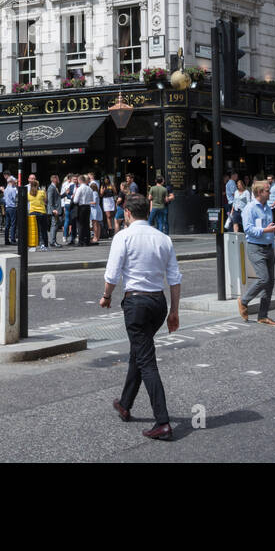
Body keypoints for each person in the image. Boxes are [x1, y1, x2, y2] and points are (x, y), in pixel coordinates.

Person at [100, 193, 182, 442]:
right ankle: (125, 404)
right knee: (140, 350)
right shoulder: (163, 238)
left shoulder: (123, 237)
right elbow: (175, 278)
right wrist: (174, 311)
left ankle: (163, 422)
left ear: (127, 213)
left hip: (136, 303)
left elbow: (112, 275)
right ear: (148, 211)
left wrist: (106, 296)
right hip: (158, 303)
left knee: (146, 360)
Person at [237, 180, 275, 325]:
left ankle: (263, 316)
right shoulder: (250, 208)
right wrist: (265, 230)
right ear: (259, 192)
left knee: (270, 284)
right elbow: (248, 230)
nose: (270, 193)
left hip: (269, 247)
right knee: (264, 279)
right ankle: (243, 301)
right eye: (267, 191)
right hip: (255, 247)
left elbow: (267, 227)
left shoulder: (268, 207)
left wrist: (271, 237)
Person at [27, 175, 47, 251]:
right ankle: (42, 245)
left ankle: (33, 246)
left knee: (33, 231)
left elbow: (28, 201)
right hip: (42, 212)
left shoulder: (29, 194)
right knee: (42, 230)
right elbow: (45, 201)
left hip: (32, 213)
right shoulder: (42, 192)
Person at [46, 175, 63, 247]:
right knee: (54, 225)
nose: (59, 179)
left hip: (57, 209)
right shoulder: (51, 188)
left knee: (55, 225)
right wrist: (53, 209)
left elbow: (58, 198)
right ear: (54, 179)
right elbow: (50, 200)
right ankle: (53, 242)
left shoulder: (55, 187)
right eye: (58, 178)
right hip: (54, 210)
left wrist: (65, 194)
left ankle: (53, 241)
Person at [89, 180, 103, 244]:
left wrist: (87, 202)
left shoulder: (94, 193)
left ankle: (95, 237)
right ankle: (97, 237)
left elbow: (94, 202)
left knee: (95, 224)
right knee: (97, 224)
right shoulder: (96, 192)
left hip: (94, 209)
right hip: (96, 208)